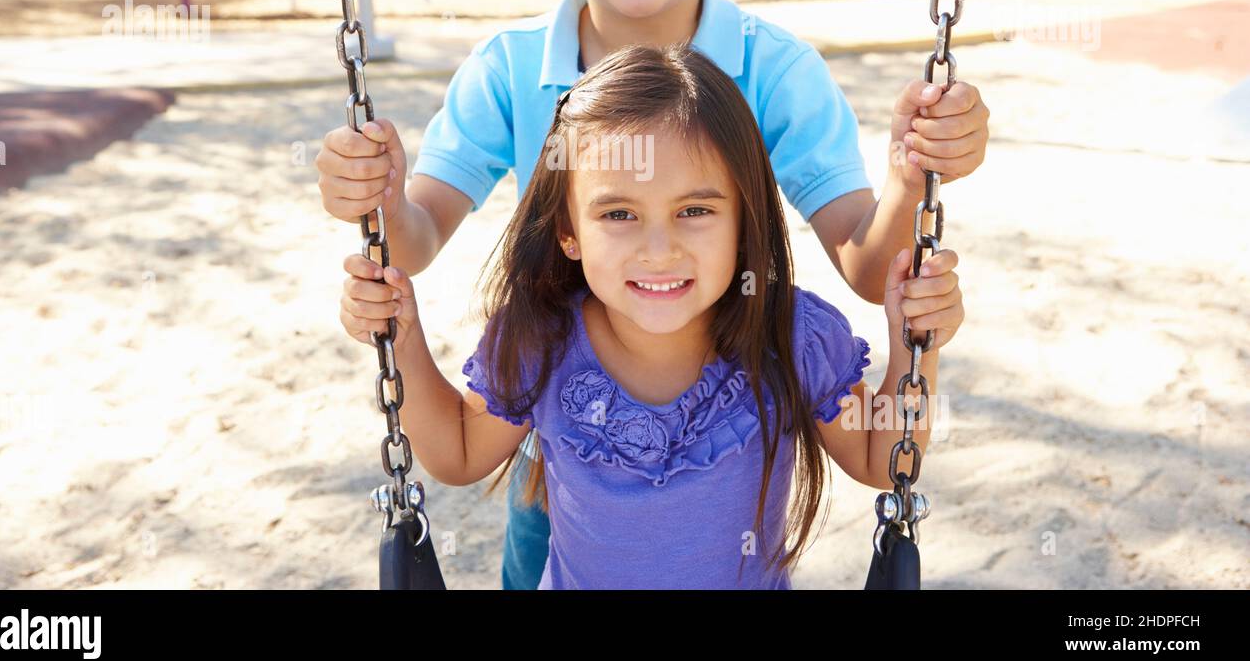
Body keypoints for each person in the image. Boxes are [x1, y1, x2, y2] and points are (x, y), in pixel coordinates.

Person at [320, 0, 989, 590]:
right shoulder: (508, 67)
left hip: (733, 398)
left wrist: (910, 174)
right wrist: (379, 200)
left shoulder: (772, 69)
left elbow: (863, 260)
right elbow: (414, 239)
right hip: (561, 432)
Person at [341, 44, 963, 588]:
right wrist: (403, 331)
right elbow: (456, 454)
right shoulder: (545, 339)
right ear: (568, 231)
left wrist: (917, 345)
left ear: (745, 222)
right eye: (618, 215)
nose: (659, 249)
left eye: (695, 211)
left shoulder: (790, 337)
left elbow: (886, 461)